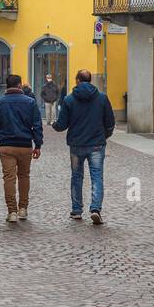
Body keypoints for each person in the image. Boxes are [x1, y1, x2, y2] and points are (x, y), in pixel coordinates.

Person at [52, 69, 115, 225]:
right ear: (90, 80)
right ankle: (95, 209)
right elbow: (110, 122)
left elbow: (62, 125)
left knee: (76, 177)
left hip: (76, 144)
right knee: (97, 176)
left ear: (77, 80)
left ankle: (76, 210)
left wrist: (55, 125)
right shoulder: (102, 98)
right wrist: (104, 136)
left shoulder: (69, 99)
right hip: (96, 145)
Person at [0, 73, 43, 223]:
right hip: (25, 145)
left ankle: (12, 211)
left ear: (7, 85)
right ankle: (23, 208)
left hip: (6, 146)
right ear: (19, 85)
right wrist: (37, 145)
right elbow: (37, 125)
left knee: (9, 178)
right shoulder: (30, 102)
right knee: (24, 176)